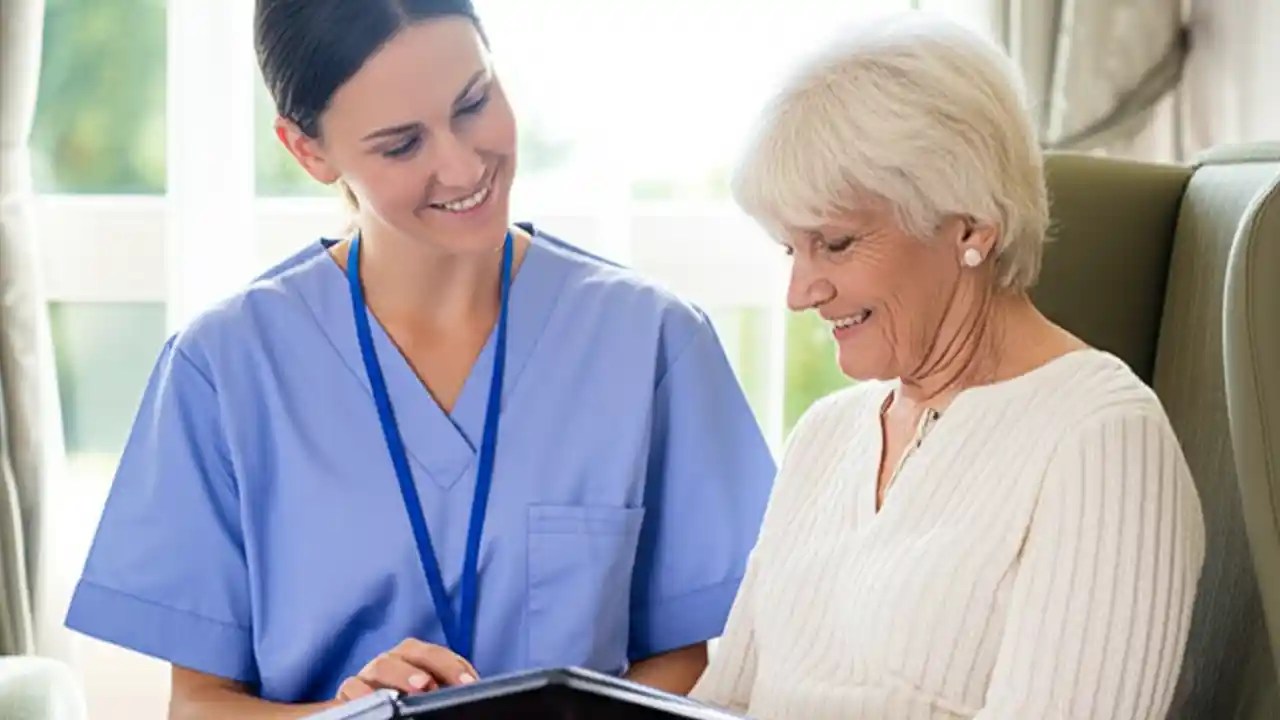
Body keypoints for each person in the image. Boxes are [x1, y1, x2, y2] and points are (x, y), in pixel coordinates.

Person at [64, 1, 775, 717]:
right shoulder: (222, 369)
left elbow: (690, 662)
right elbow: (198, 705)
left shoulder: (650, 341)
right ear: (308, 151)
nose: (464, 165)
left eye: (474, 102)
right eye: (402, 145)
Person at [688, 12, 1206, 720]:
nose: (799, 292)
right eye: (790, 250)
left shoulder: (1104, 439)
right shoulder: (826, 435)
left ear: (969, 228)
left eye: (834, 244)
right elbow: (723, 705)